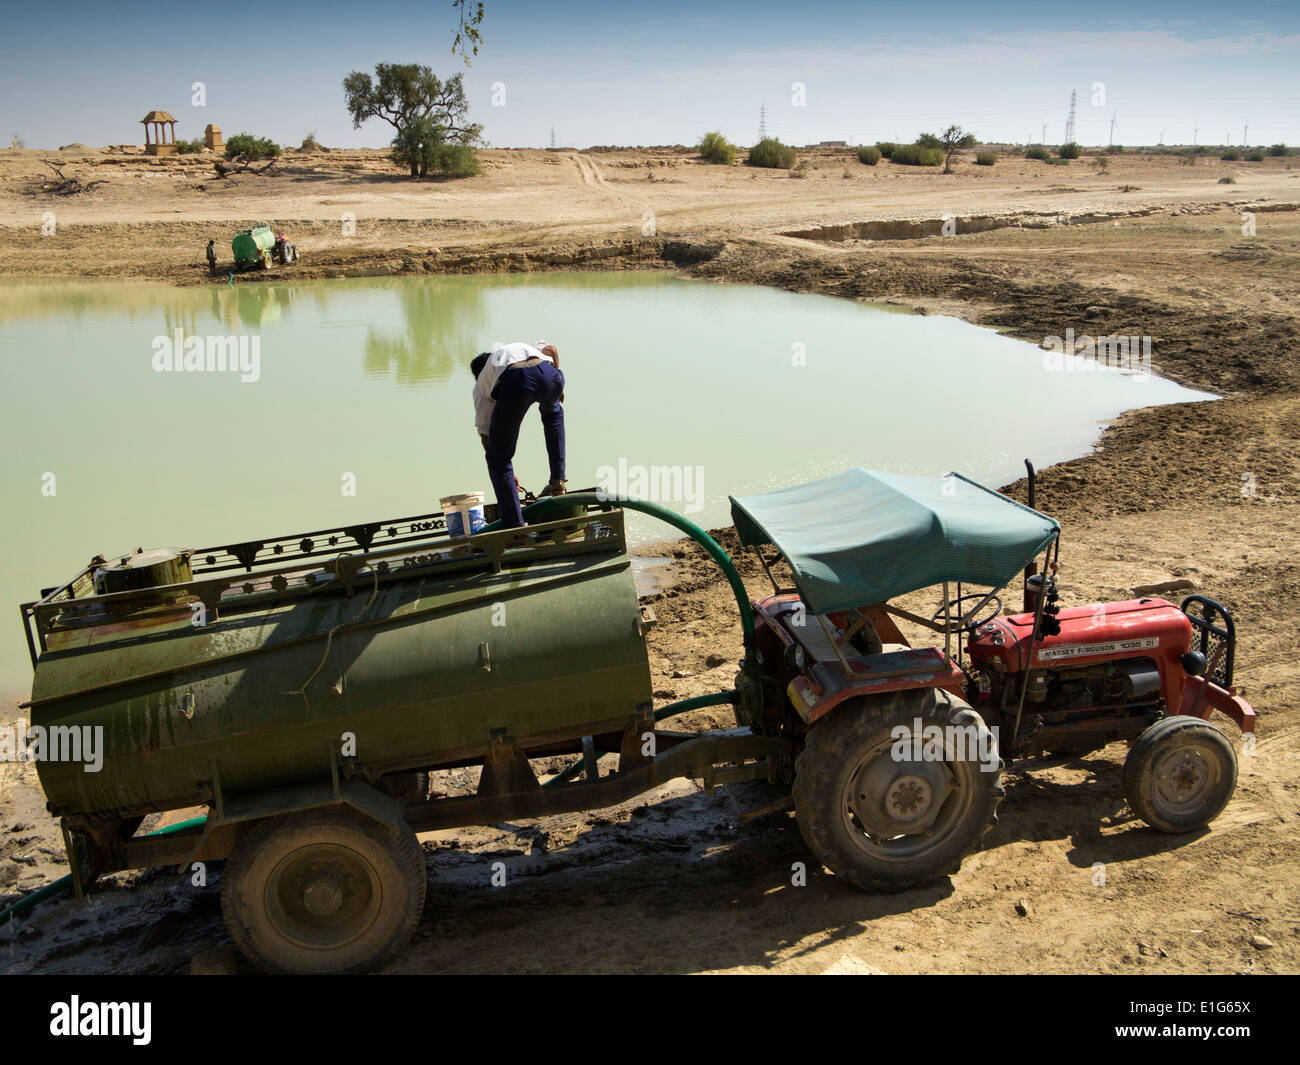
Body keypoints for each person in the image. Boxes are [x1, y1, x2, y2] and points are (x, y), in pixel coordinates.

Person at [470, 341, 566, 529]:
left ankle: (515, 526)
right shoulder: (513, 351)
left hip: (517, 381)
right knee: (553, 414)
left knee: (497, 459)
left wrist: (508, 473)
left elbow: (486, 436)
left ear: (478, 374)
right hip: (550, 375)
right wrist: (557, 389)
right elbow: (552, 349)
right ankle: (558, 482)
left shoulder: (482, 384)